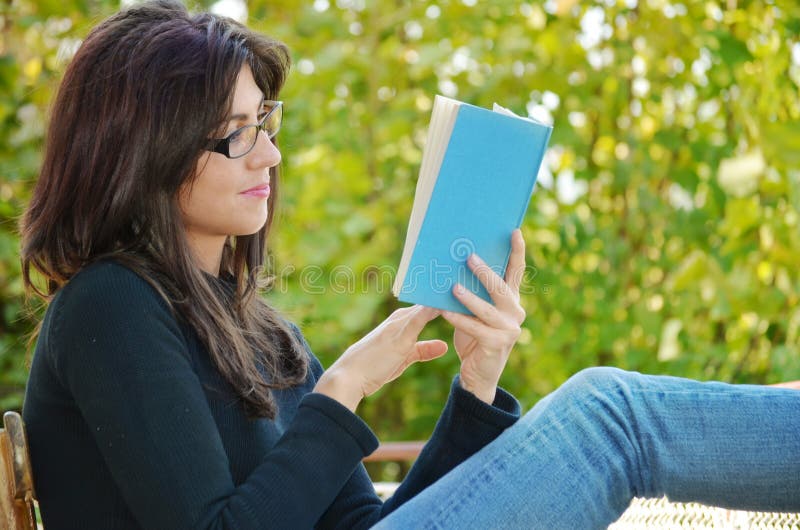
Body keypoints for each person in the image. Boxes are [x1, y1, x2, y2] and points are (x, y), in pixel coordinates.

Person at [18, 1, 800, 529]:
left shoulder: (257, 333)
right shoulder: (110, 306)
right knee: (614, 416)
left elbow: (373, 525)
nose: (271, 154)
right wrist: (345, 391)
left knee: (612, 410)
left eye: (266, 123)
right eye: (236, 134)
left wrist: (476, 385)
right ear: (142, 152)